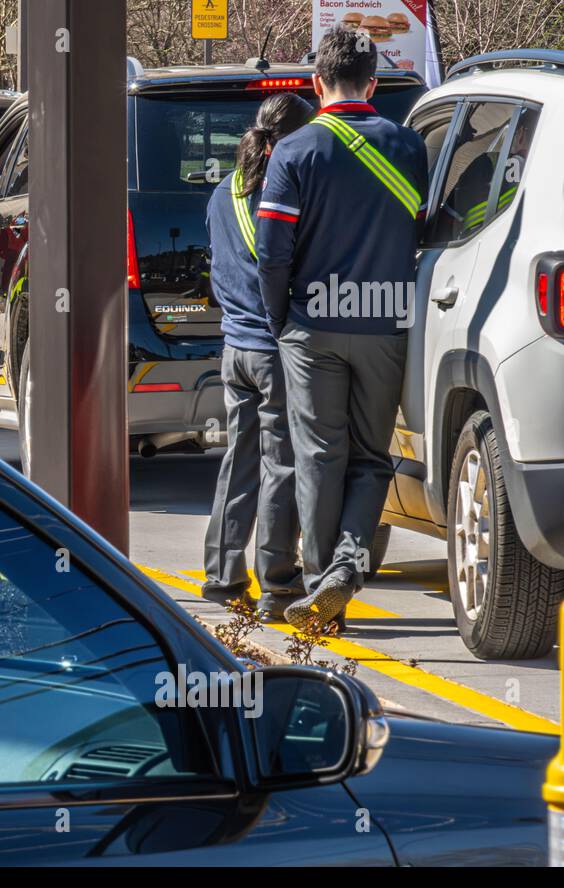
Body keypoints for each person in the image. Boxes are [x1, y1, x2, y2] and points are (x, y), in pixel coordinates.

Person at [256, 28, 429, 632]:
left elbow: (272, 253)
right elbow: (423, 230)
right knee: (370, 458)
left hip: (313, 325)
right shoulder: (409, 148)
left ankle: (319, 587)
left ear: (314, 82)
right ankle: (344, 571)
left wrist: (280, 319)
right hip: (385, 322)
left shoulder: (295, 151)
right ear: (373, 84)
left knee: (318, 458)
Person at [202, 92, 313, 622]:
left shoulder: (223, 193)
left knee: (239, 460)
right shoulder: (283, 192)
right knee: (282, 465)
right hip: (272, 349)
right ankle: (278, 585)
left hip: (235, 349)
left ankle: (223, 576)